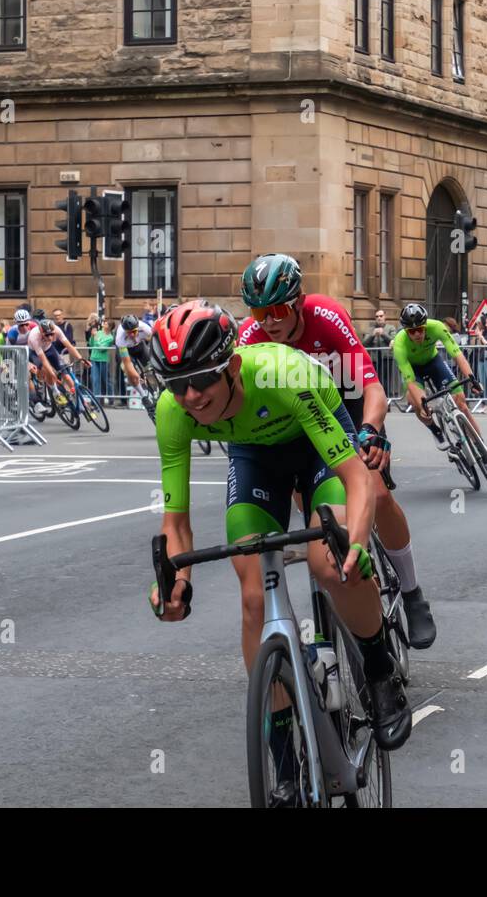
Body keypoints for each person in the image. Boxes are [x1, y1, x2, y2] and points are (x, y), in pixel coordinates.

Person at [147, 301, 413, 798]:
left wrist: (355, 544)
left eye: (200, 380)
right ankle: (284, 755)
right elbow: (175, 522)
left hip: (315, 445)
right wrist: (176, 584)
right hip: (256, 462)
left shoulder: (283, 374)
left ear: (230, 366)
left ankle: (379, 669)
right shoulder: (173, 412)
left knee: (330, 565)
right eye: (174, 384)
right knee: (252, 597)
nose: (189, 396)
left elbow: (356, 478)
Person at [237, 254, 437, 648]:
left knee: (377, 494)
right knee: (319, 517)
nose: (269, 321)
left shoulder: (326, 316)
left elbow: (373, 389)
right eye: (260, 311)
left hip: (348, 409)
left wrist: (371, 430)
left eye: (277, 309)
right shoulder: (251, 337)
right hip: (299, 424)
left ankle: (412, 593)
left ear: (299, 301)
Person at [391, 303, 487, 466]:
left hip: (433, 362)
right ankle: (436, 430)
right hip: (413, 370)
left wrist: (473, 379)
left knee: (461, 401)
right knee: (415, 403)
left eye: (420, 329)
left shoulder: (437, 327)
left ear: (425, 325)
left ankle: (480, 445)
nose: (417, 334)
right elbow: (410, 380)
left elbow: (457, 355)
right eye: (412, 331)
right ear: (405, 331)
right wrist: (422, 405)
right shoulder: (399, 343)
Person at [27, 318, 85, 393]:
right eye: (47, 335)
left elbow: (69, 346)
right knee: (47, 370)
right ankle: (54, 391)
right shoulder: (34, 336)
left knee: (65, 373)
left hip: (49, 348)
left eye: (52, 334)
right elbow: (44, 360)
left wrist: (81, 359)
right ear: (41, 332)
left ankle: (77, 397)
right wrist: (52, 374)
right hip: (34, 352)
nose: (50, 337)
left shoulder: (57, 330)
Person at [115, 314, 154, 395]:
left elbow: (155, 341)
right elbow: (127, 363)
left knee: (150, 368)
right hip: (126, 349)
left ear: (138, 328)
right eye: (128, 333)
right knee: (132, 374)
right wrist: (135, 373)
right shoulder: (120, 337)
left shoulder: (145, 328)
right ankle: (143, 395)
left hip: (139, 345)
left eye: (134, 331)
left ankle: (156, 388)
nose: (132, 335)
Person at [87, 318, 115, 398]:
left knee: (106, 380)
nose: (104, 324)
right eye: (104, 323)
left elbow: (101, 348)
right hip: (94, 359)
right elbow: (91, 344)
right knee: (95, 380)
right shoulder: (98, 333)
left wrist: (95, 337)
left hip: (103, 360)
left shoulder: (110, 338)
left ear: (110, 327)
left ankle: (111, 398)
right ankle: (97, 400)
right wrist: (92, 336)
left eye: (106, 324)